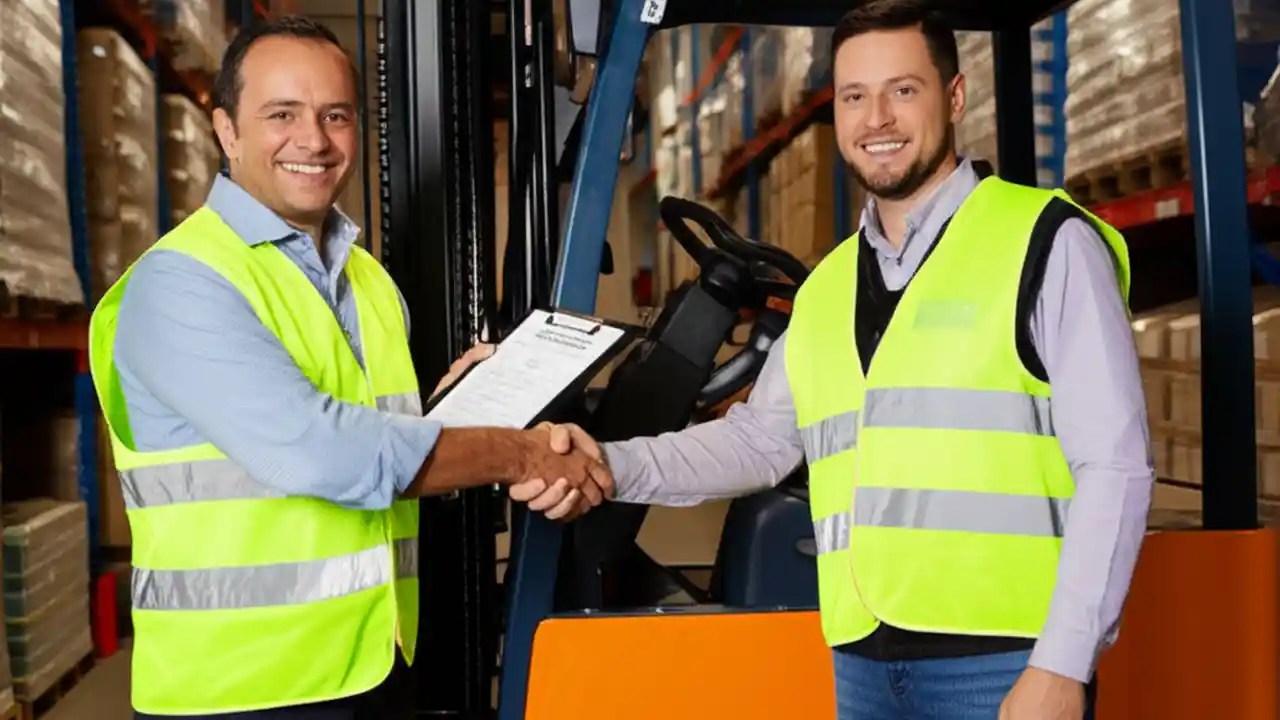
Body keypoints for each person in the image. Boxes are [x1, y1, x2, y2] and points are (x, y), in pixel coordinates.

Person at [541, 1, 1154, 718]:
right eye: (855, 97)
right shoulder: (827, 284)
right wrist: (613, 467)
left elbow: (1114, 465)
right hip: (865, 662)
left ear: (953, 98)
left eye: (903, 90)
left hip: (1003, 660)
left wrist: (1062, 662)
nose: (878, 120)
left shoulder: (1046, 243)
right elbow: (762, 442)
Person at [87, 16, 612, 720]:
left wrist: (458, 408)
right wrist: (515, 455)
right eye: (282, 115)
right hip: (244, 687)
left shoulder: (365, 278)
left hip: (374, 660)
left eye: (336, 115)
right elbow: (323, 451)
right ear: (226, 132)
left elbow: (371, 433)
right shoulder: (181, 283)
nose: (314, 140)